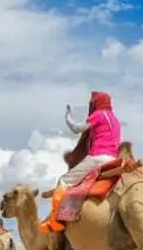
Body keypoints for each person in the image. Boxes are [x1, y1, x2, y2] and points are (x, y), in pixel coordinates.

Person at [41, 91, 120, 232]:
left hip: (98, 157)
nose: (91, 104)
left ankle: (56, 220)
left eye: (92, 102)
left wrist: (68, 117)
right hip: (114, 158)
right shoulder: (115, 119)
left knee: (64, 181)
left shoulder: (98, 114)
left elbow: (77, 129)